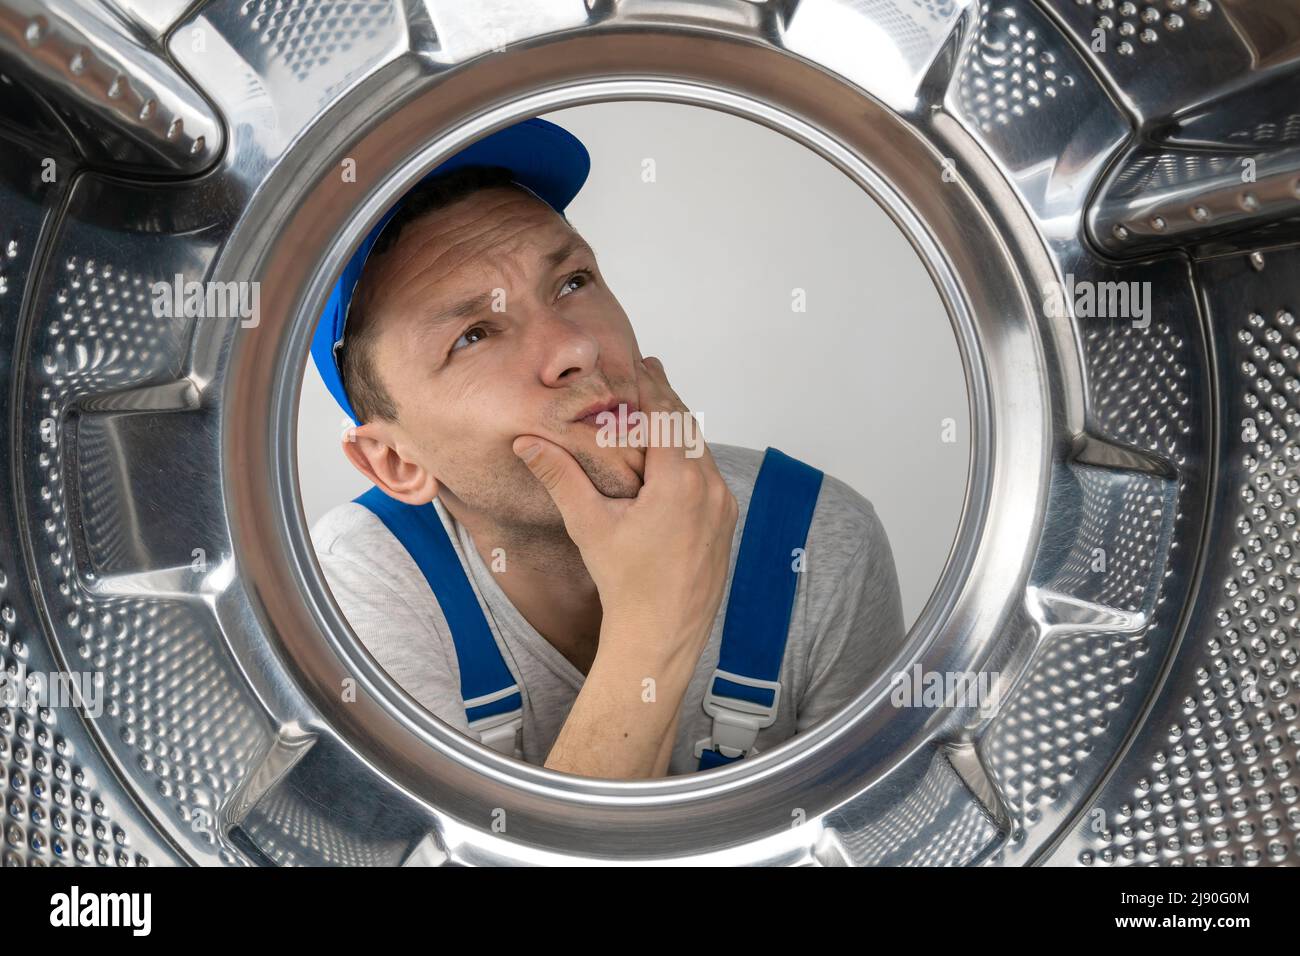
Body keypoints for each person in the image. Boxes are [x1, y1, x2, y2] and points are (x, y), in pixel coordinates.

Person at [309, 117, 906, 778]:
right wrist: (654, 625)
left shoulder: (817, 544)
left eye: (571, 284)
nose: (577, 348)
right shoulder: (353, 592)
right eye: (474, 335)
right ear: (395, 463)